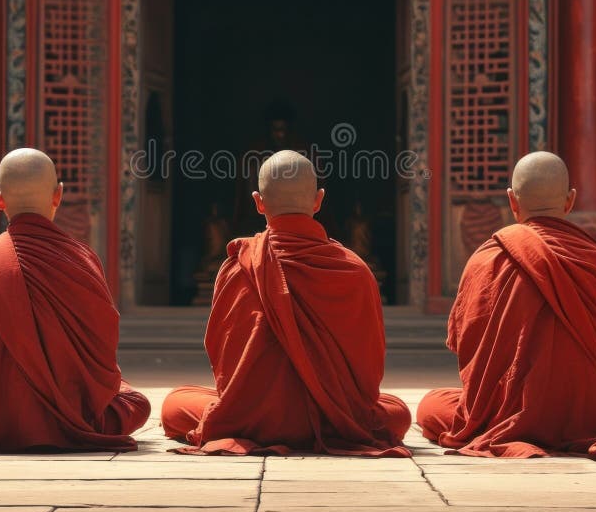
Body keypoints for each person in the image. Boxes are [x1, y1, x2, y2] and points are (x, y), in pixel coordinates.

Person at [417, 151, 596, 459]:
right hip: (587, 416)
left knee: (431, 405)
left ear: (512, 201)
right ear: (570, 200)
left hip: (504, 414)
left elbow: (468, 344)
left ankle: (518, 422)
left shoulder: (486, 259)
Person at [0, 148, 149, 457]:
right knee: (135, 402)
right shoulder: (83, 261)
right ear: (58, 195)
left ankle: (0, 419)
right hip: (74, 417)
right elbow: (103, 359)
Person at [162, 150, 411, 456]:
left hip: (251, 420)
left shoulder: (240, 265)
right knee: (398, 413)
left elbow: (223, 357)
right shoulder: (354, 270)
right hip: (335, 419)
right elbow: (370, 366)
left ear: (258, 202)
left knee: (175, 403)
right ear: (319, 201)